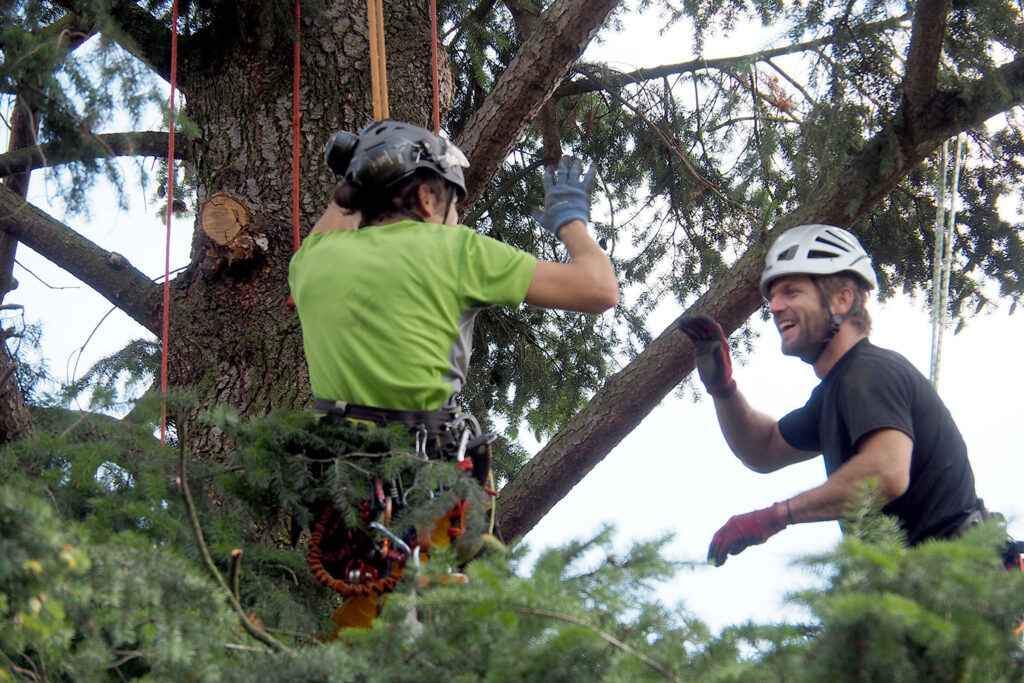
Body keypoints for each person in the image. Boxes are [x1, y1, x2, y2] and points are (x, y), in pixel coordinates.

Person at [678, 223, 987, 567]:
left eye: (791, 292)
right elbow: (762, 449)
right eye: (773, 297)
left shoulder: (870, 371)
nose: (775, 306)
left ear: (842, 299)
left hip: (967, 588)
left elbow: (885, 473)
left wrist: (777, 516)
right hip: (920, 595)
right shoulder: (832, 394)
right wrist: (723, 390)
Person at [290, 118, 617, 417]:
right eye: (454, 205)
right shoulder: (455, 251)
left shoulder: (310, 261)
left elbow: (342, 210)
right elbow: (599, 289)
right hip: (425, 470)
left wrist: (365, 161)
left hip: (336, 471)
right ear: (426, 199)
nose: (457, 218)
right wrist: (570, 222)